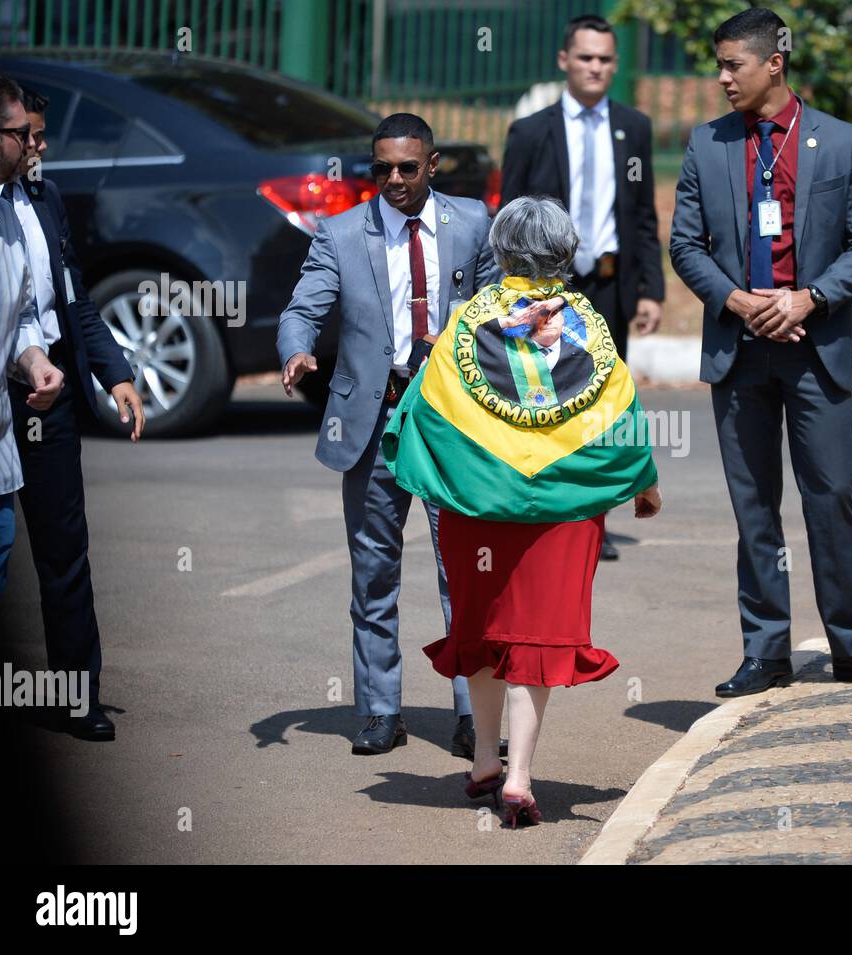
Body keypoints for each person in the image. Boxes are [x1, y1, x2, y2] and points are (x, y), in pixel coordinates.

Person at [381, 196, 661, 827]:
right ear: (566, 254)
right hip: (561, 512)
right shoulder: (590, 325)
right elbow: (622, 414)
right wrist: (643, 481)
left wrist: (437, 475)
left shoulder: (463, 324)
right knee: (533, 637)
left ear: (500, 250)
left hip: (478, 508)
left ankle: (483, 759)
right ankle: (520, 776)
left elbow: (425, 413)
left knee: (480, 630)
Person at [668, 7, 852, 698]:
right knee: (754, 507)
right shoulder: (706, 144)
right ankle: (765, 650)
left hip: (816, 347)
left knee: (832, 495)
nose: (721, 79)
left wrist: (811, 298)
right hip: (739, 350)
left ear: (773, 64)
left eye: (732, 66)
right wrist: (737, 301)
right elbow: (685, 245)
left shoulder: (838, 142)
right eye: (718, 66)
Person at [278, 113, 502, 758]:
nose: (395, 180)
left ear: (432, 165)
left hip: (449, 421)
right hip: (373, 421)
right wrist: (297, 350)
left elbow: (496, 305)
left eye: (408, 167)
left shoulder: (470, 223)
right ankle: (381, 711)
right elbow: (304, 307)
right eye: (382, 169)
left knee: (460, 572)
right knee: (374, 574)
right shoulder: (343, 231)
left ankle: (472, 716)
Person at [0, 83, 145, 742]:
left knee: (63, 550)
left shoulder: (47, 202)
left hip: (43, 388)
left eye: (43, 134)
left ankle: (76, 694)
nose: (40, 146)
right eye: (30, 134)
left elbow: (74, 301)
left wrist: (116, 374)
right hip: (0, 389)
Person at [500, 12, 665, 560]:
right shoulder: (530, 131)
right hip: (549, 291)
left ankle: (596, 522)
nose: (596, 67)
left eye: (605, 59)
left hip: (613, 285)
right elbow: (512, 215)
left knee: (604, 403)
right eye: (586, 57)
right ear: (564, 61)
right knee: (545, 395)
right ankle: (549, 513)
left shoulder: (633, 128)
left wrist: (650, 290)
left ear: (615, 66)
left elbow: (642, 214)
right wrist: (512, 292)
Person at [0, 73, 64, 639]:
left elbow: (20, 316)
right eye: (22, 134)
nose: (34, 144)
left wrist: (35, 360)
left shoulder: (9, 219)